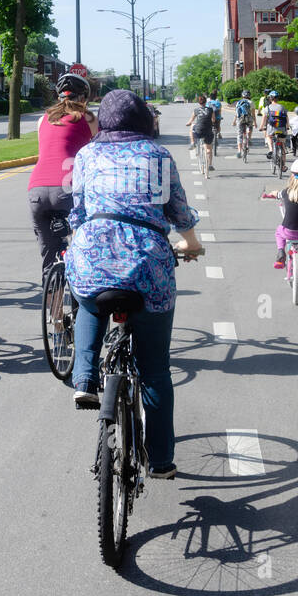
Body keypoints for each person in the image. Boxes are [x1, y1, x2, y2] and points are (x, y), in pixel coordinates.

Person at [67, 89, 204, 479]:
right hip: (148, 266)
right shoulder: (158, 156)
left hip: (93, 252)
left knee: (89, 300)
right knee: (156, 370)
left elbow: (78, 210)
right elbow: (177, 211)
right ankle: (161, 461)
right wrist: (192, 245)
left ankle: (84, 379)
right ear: (144, 119)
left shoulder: (87, 155)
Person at [26, 73, 97, 267]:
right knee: (83, 246)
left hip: (36, 190)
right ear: (83, 98)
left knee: (49, 258)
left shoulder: (43, 119)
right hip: (68, 188)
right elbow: (97, 154)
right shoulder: (88, 118)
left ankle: (51, 294)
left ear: (59, 97)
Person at [185, 95, 216, 170]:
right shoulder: (210, 109)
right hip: (208, 130)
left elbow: (191, 120)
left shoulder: (196, 110)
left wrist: (188, 124)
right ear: (206, 102)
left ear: (199, 102)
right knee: (209, 149)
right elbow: (213, 120)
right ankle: (210, 165)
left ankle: (193, 143)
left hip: (199, 131)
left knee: (192, 125)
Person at [260, 91, 288, 158]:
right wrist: (287, 126)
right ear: (277, 98)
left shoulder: (267, 108)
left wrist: (261, 127)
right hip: (281, 128)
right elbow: (286, 117)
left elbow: (264, 118)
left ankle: (271, 150)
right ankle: (283, 166)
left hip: (272, 128)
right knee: (283, 144)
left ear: (270, 98)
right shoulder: (282, 107)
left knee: (268, 136)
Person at [233, 90, 255, 157]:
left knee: (239, 134)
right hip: (248, 119)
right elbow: (253, 114)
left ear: (242, 96)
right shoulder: (251, 102)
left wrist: (234, 121)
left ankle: (239, 151)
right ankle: (249, 138)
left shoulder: (239, 102)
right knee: (250, 128)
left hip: (240, 120)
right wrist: (255, 122)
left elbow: (237, 114)